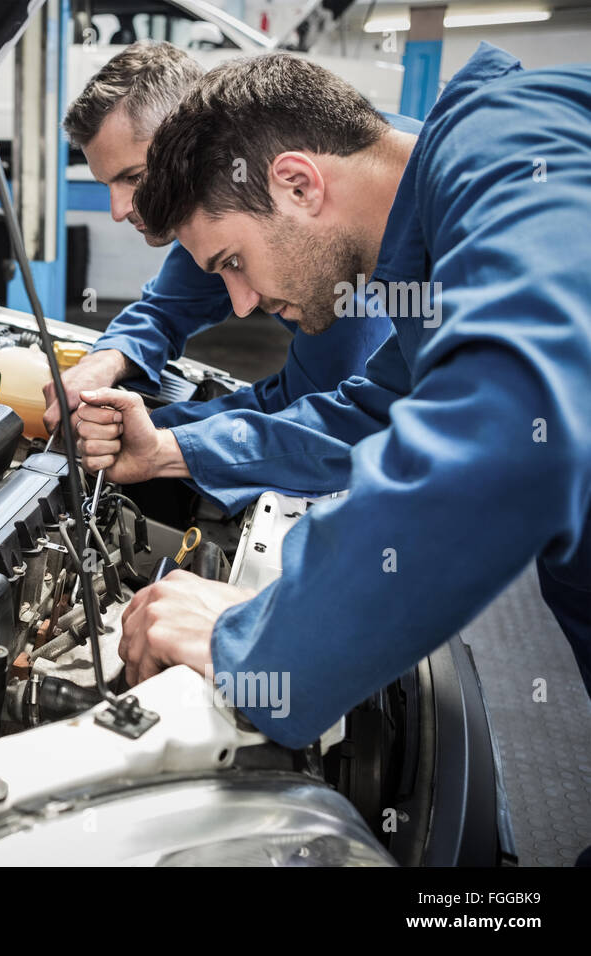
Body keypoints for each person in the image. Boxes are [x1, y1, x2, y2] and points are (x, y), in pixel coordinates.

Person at [72, 47, 591, 747]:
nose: (242, 302)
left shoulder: (508, 149)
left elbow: (504, 437)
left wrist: (254, 645)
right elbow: (371, 414)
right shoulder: (432, 260)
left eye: (233, 262)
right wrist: (170, 448)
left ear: (297, 185)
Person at [45, 41, 405, 456]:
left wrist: (158, 438)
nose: (118, 209)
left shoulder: (336, 230)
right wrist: (103, 361)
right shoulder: (224, 210)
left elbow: (323, 414)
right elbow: (166, 308)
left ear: (193, 141)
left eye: (134, 177)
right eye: (107, 184)